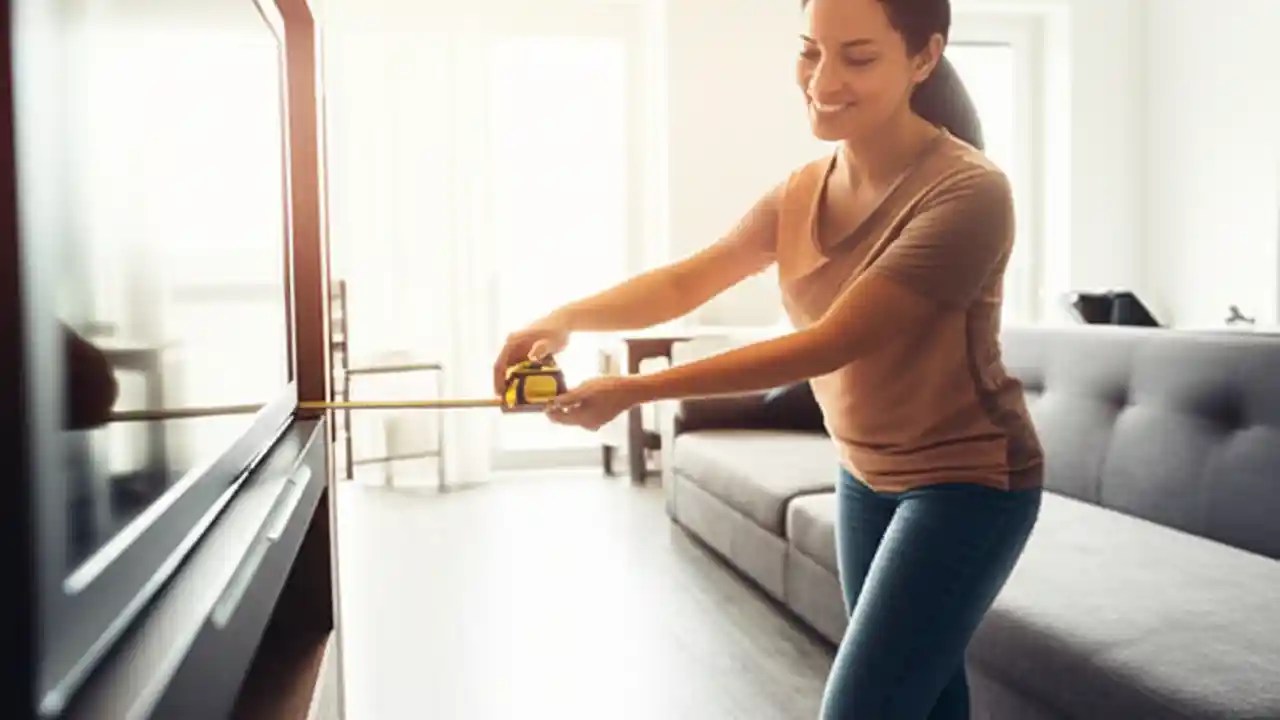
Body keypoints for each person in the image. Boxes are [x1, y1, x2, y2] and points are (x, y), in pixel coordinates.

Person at [492, 0, 1044, 717]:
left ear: (924, 57)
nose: (822, 79)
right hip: (863, 472)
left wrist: (634, 388)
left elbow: (832, 341)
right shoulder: (801, 192)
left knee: (861, 707)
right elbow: (688, 280)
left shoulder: (968, 193)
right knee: (928, 696)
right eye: (811, 50)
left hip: (969, 485)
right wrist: (565, 315)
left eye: (858, 56)